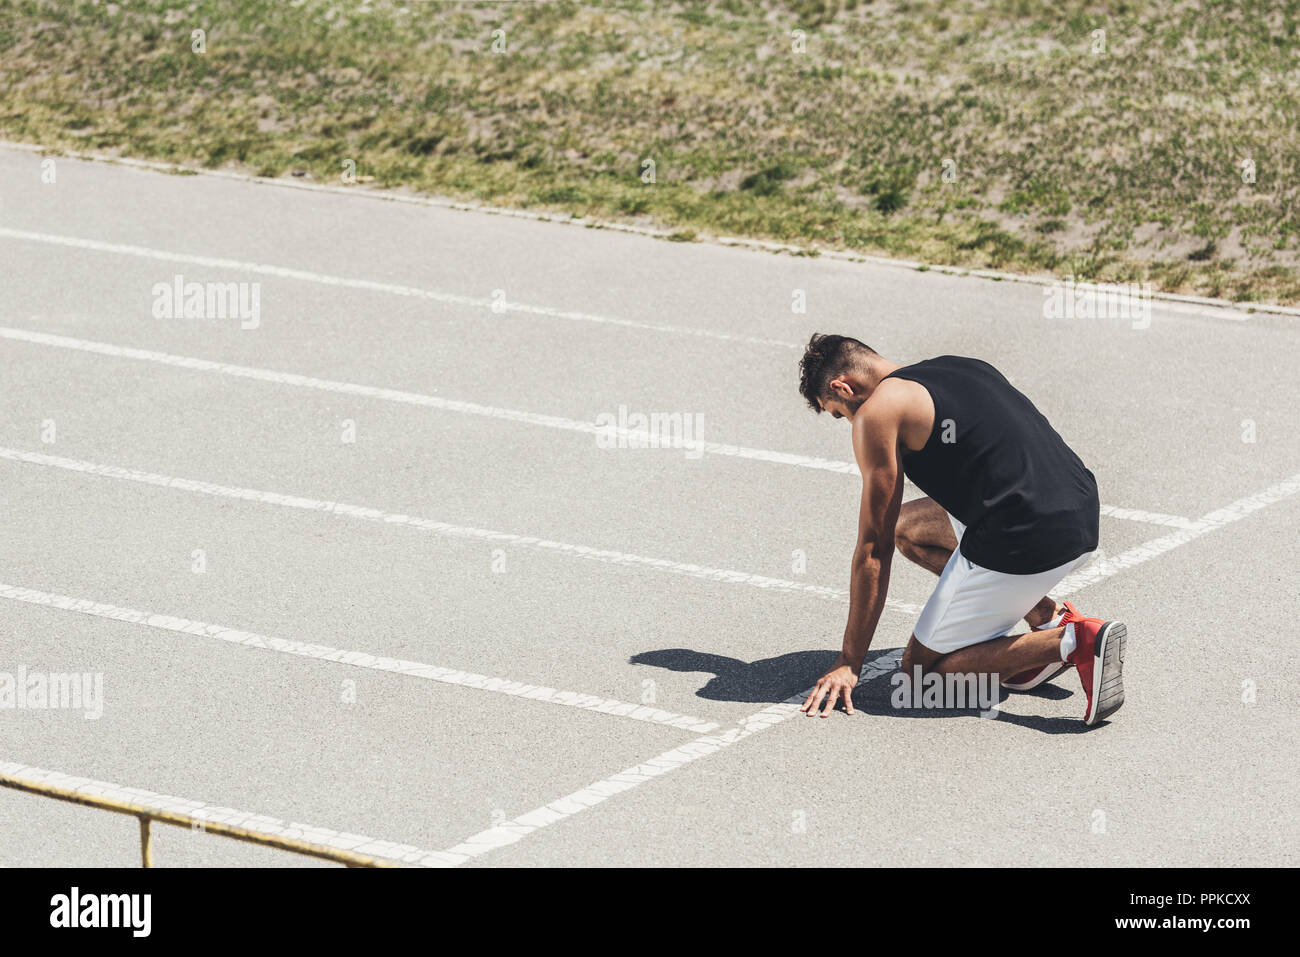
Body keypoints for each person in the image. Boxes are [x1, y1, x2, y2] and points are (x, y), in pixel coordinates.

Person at [795, 334, 1126, 726]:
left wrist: (850, 661)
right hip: (1081, 515)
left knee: (921, 679)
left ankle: (1074, 641)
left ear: (843, 387)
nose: (848, 422)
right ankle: (1048, 617)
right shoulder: (959, 365)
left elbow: (873, 547)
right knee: (909, 528)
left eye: (839, 413)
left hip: (1027, 536)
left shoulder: (877, 413)